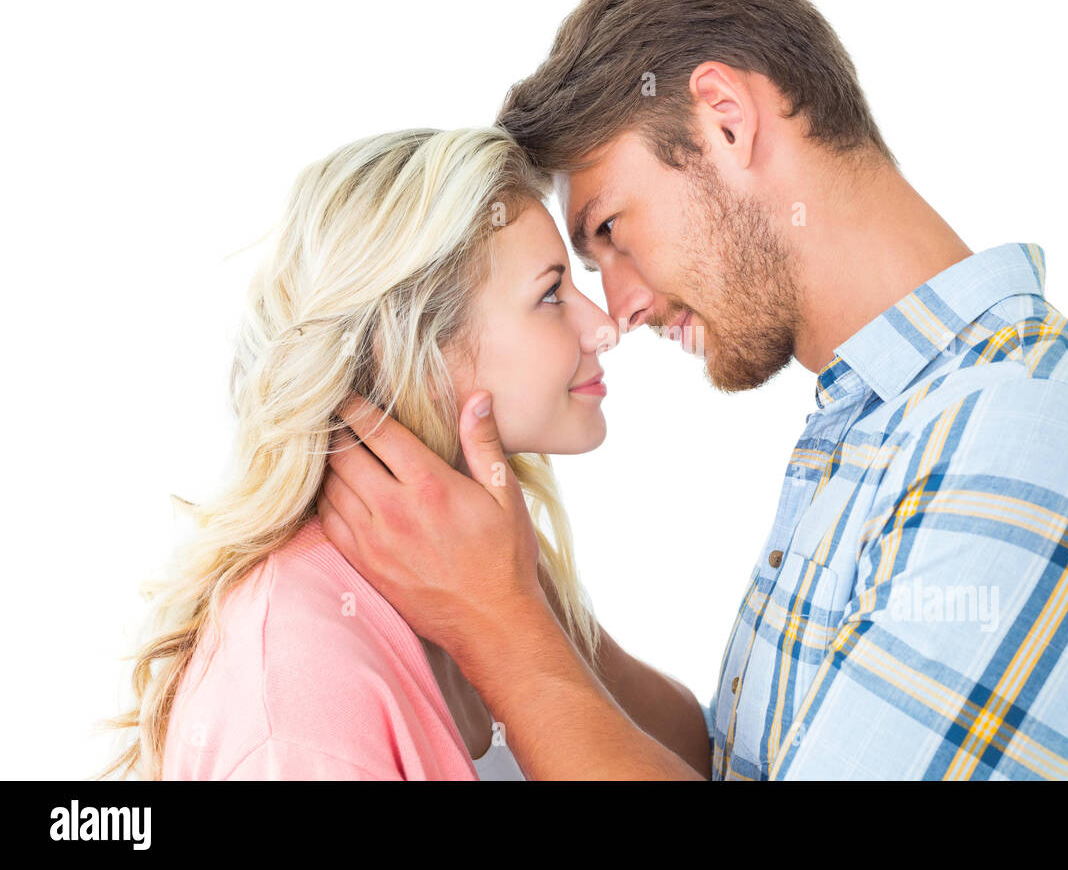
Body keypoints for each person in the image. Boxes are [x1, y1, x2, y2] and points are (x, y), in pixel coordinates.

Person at [319, 0, 1068, 780]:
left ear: (726, 121)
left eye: (613, 232)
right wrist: (529, 599)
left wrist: (500, 629)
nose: (618, 308)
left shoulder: (1026, 435)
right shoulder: (884, 421)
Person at [100, 126, 707, 780]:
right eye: (551, 294)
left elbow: (698, 759)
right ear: (417, 351)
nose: (604, 325)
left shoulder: (484, 565)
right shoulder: (298, 694)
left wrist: (517, 608)